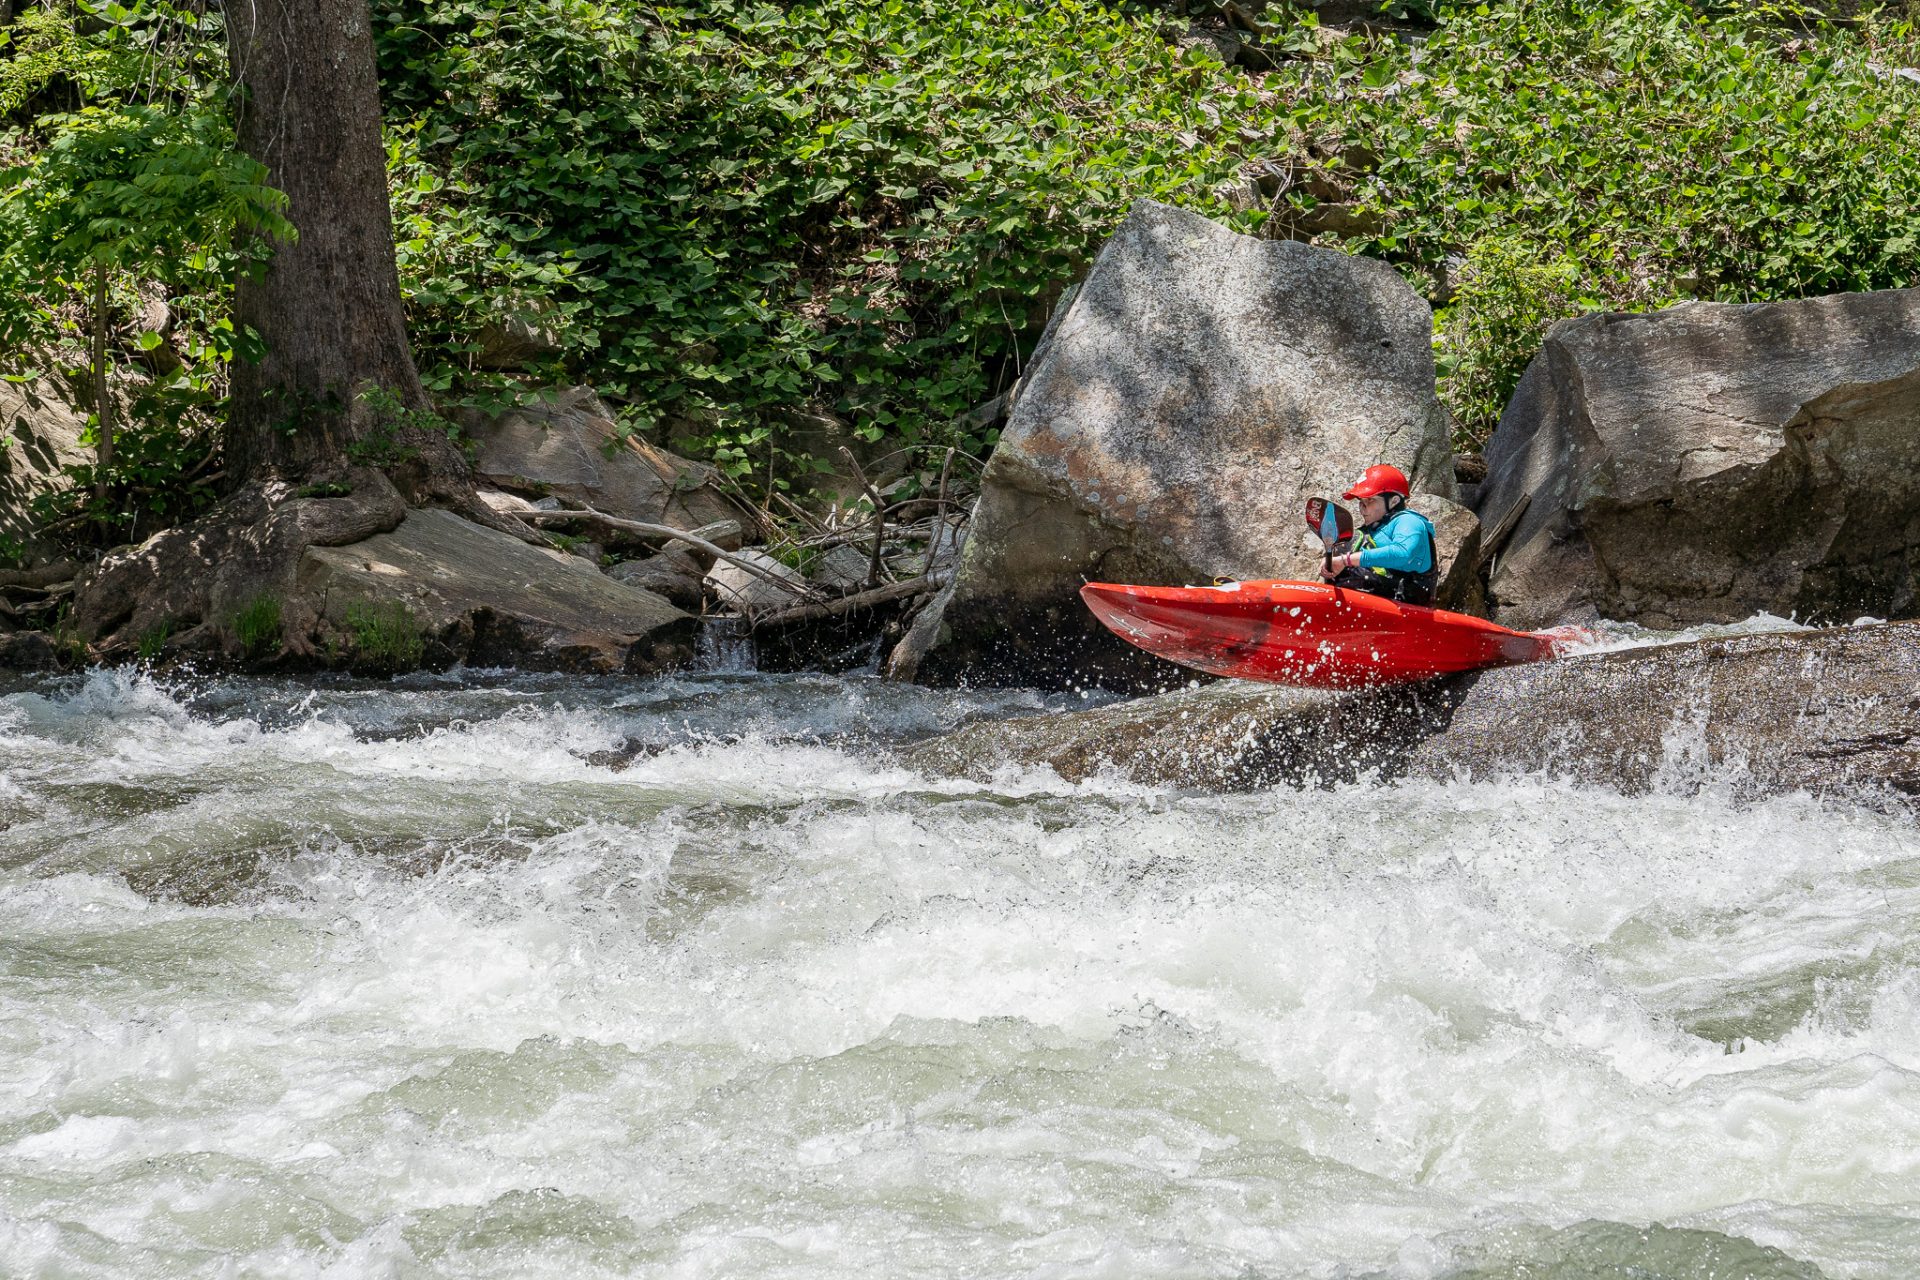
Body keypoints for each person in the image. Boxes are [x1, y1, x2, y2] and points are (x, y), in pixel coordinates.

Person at [1320, 464, 1439, 605]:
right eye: (1361, 502)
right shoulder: (1370, 530)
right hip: (1372, 602)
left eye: (1370, 500)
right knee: (1348, 542)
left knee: (1350, 552)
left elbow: (1402, 554)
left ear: (1394, 501)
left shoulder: (1409, 521)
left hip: (1409, 605)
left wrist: (1345, 560)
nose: (1363, 508)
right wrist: (1330, 564)